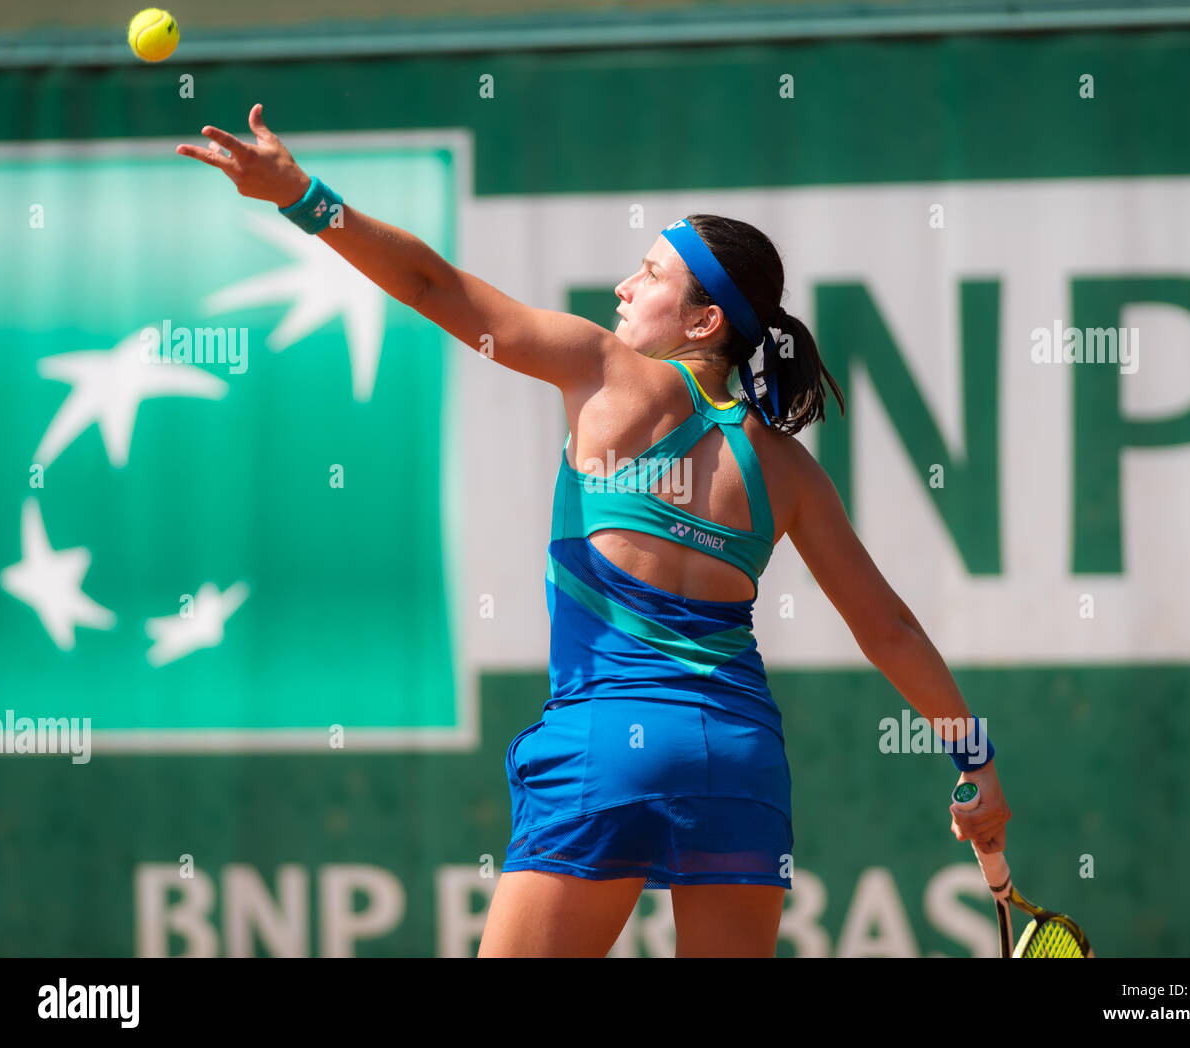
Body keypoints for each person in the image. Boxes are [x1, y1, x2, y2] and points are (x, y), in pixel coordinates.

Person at [177, 104, 1013, 959]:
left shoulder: (606, 372)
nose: (624, 287)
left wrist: (302, 197)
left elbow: (431, 287)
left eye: (648, 275)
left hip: (609, 748)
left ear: (704, 322)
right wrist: (972, 763)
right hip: (738, 764)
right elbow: (892, 631)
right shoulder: (792, 471)